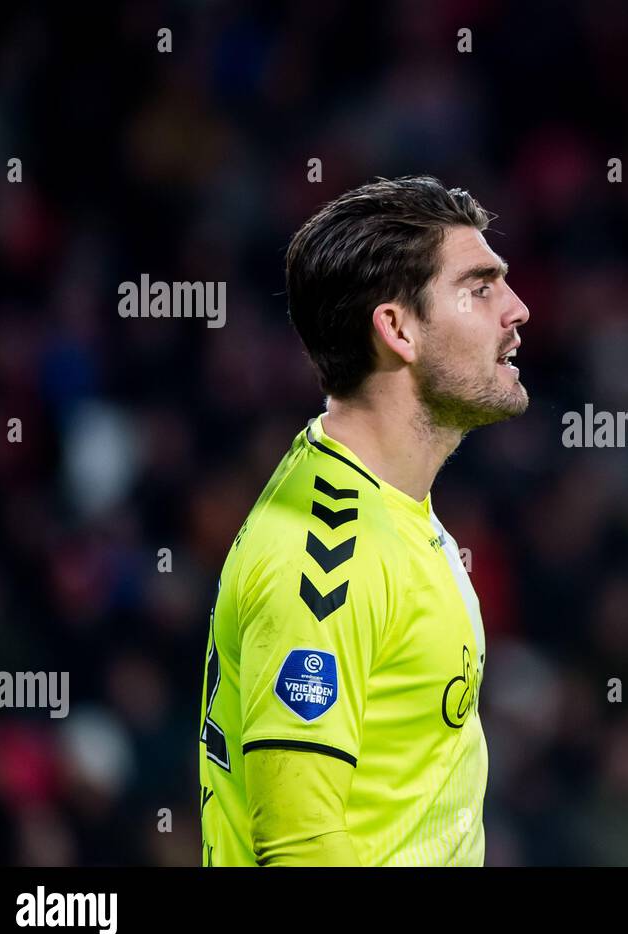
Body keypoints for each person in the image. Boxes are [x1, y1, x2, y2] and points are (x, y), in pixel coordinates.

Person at [198, 175, 530, 865]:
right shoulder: (322, 560)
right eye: (479, 287)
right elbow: (301, 848)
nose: (518, 309)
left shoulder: (389, 503)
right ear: (397, 329)